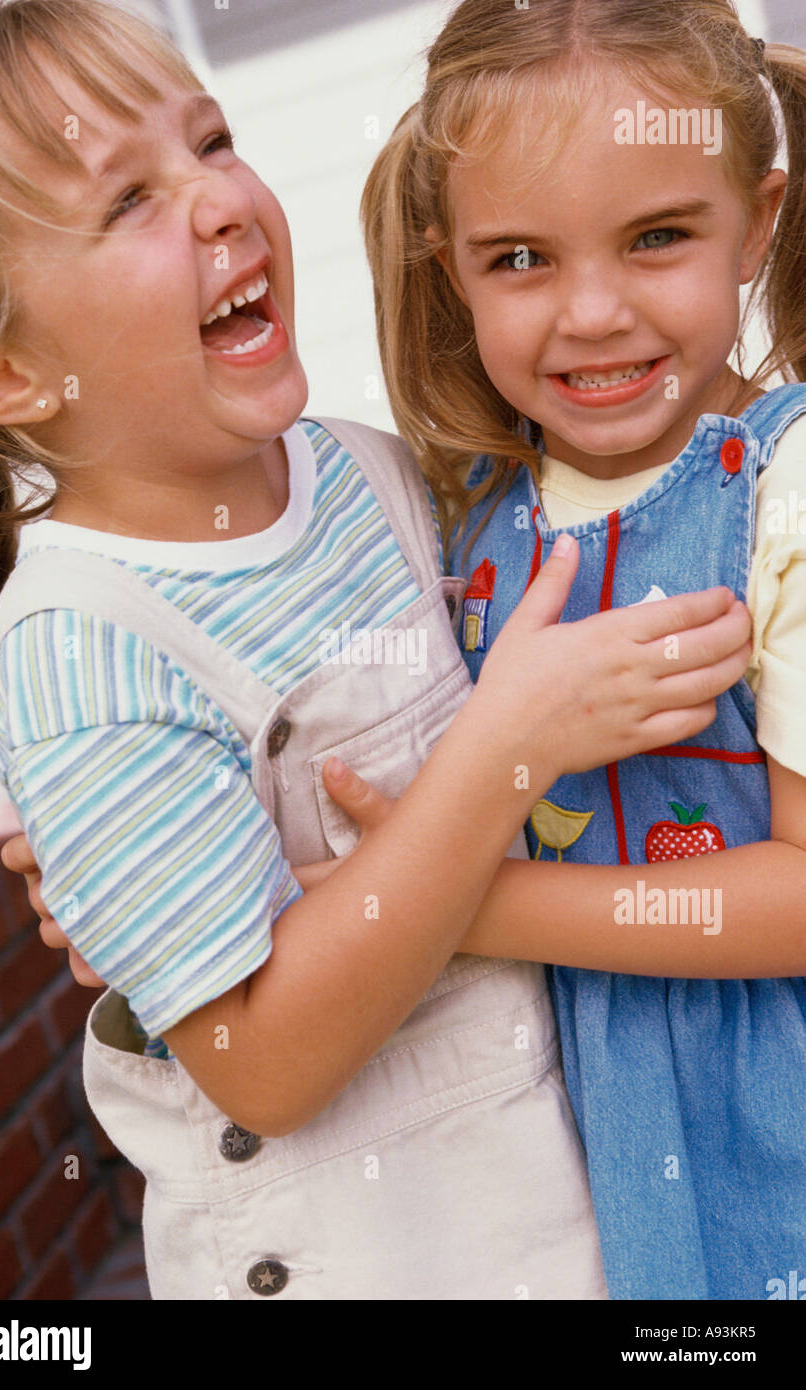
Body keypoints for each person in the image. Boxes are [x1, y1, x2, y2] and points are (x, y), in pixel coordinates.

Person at [0, 0, 750, 1302]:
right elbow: (262, 1065)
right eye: (125, 202)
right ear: (2, 380)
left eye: (210, 139)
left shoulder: (371, 480)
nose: (214, 200)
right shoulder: (83, 646)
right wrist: (504, 750)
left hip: (557, 1205)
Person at [352, 0, 806, 1299]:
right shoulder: (464, 520)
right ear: (451, 268)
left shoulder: (778, 490)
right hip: (558, 1137)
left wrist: (461, 902)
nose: (591, 312)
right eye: (519, 260)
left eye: (656, 236)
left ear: (756, 223)